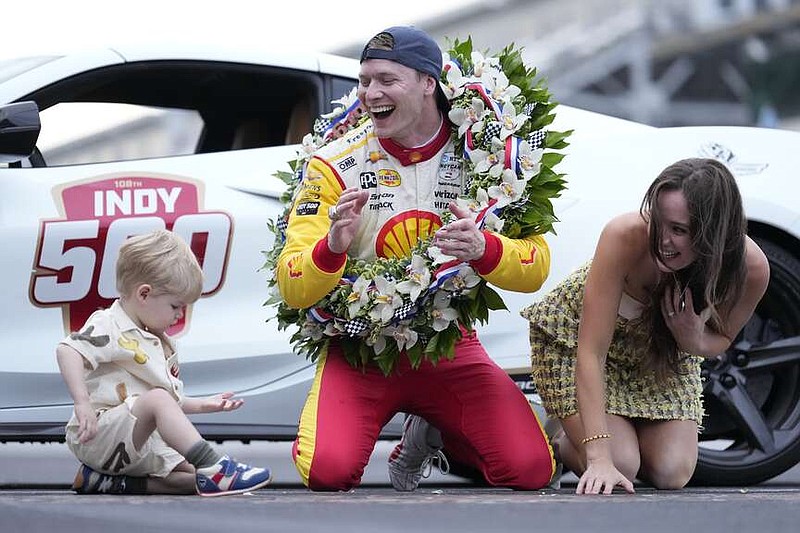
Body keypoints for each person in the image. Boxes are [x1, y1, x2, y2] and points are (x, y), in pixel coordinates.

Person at [276, 26, 555, 491]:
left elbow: (537, 265)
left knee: (530, 470)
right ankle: (421, 423)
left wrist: (486, 249)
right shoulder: (333, 164)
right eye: (364, 81)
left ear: (429, 83)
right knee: (329, 472)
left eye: (387, 80)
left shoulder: (484, 150)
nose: (371, 93)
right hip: (361, 348)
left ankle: (432, 433)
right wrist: (333, 248)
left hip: (449, 345)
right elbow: (292, 284)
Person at [521, 158, 770, 494]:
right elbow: (591, 351)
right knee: (620, 463)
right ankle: (565, 438)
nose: (664, 240)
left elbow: (722, 339)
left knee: (672, 473)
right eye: (660, 222)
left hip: (658, 354)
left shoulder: (751, 268)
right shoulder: (624, 235)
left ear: (713, 232)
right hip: (577, 344)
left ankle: (611, 428)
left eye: (679, 230)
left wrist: (694, 338)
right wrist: (597, 457)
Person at [56, 229, 272, 496]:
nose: (180, 315)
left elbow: (164, 402)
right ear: (144, 294)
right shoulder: (110, 324)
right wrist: (82, 402)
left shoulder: (157, 339)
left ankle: (109, 482)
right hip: (100, 434)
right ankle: (215, 467)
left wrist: (203, 404)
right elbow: (69, 350)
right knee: (171, 418)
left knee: (191, 476)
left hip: (136, 439)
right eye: (175, 306)